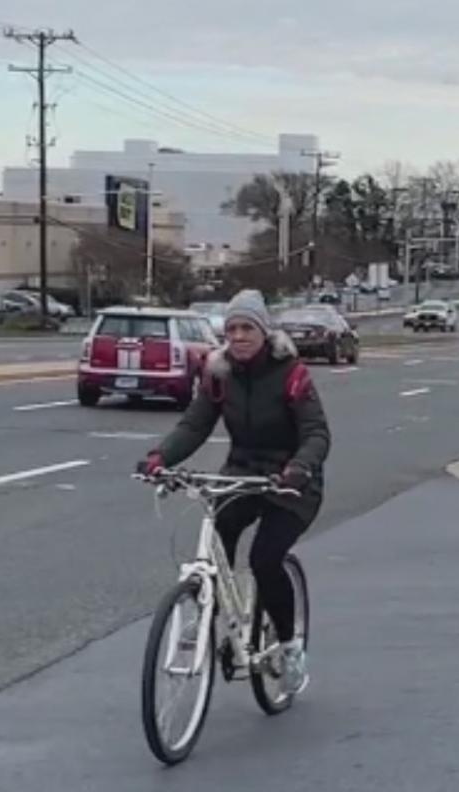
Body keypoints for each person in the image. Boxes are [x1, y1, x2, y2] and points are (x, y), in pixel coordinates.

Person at [137, 289, 331, 692]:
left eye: (247, 328)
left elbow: (316, 433)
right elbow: (194, 425)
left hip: (291, 482)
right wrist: (161, 459)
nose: (239, 336)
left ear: (264, 331)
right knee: (217, 537)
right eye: (232, 329)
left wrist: (298, 468)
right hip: (241, 473)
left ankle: (290, 646)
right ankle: (216, 616)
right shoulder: (218, 373)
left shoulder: (291, 373)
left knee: (265, 557)